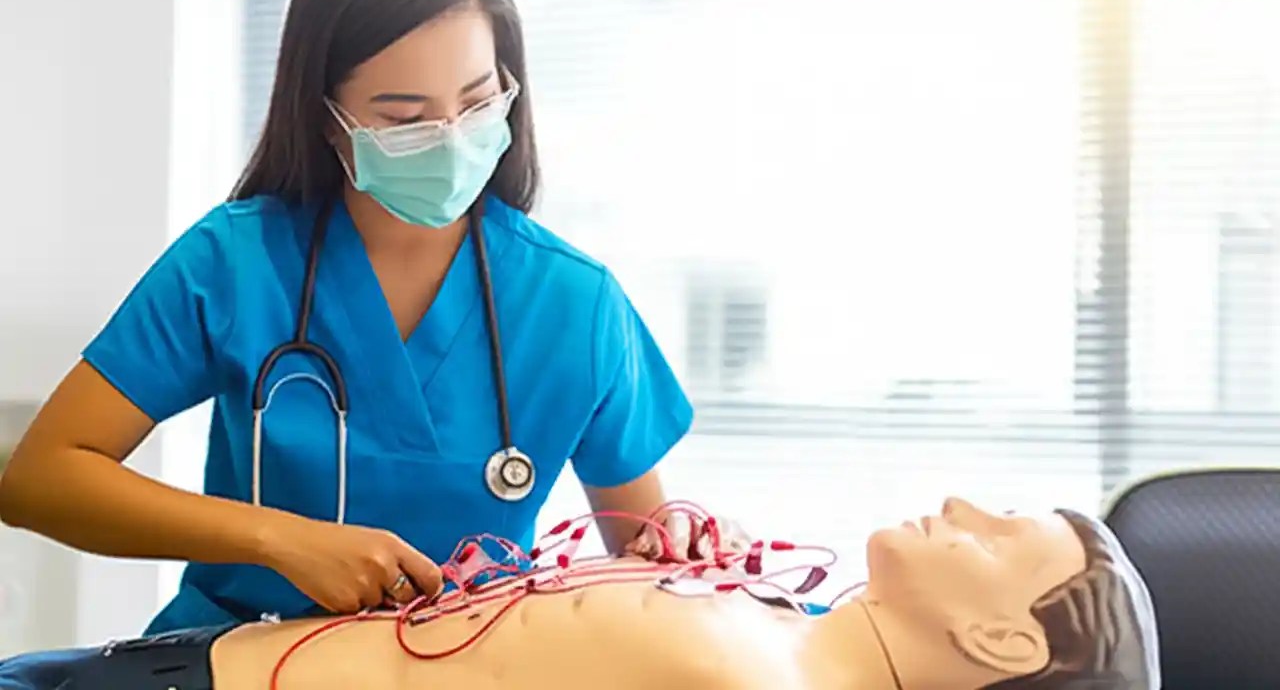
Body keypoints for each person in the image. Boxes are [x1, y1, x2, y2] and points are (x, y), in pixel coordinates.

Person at [0, 0, 719, 636]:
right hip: (239, 655)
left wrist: (692, 549)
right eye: (404, 117)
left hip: (465, 668)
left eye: (476, 103)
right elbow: (40, 479)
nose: (449, 139)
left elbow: (646, 550)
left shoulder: (574, 303)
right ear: (324, 117)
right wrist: (279, 539)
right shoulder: (233, 264)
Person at [0, 497, 1161, 690]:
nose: (959, 503)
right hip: (188, 660)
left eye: (997, 528)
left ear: (1001, 637)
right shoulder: (789, 638)